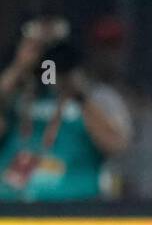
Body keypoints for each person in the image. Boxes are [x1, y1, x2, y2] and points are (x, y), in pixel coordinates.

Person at [0, 17, 132, 201]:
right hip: (12, 210)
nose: (47, 63)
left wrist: (78, 92)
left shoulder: (99, 98)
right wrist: (18, 68)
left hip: (75, 211)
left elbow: (116, 145)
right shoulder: (14, 97)